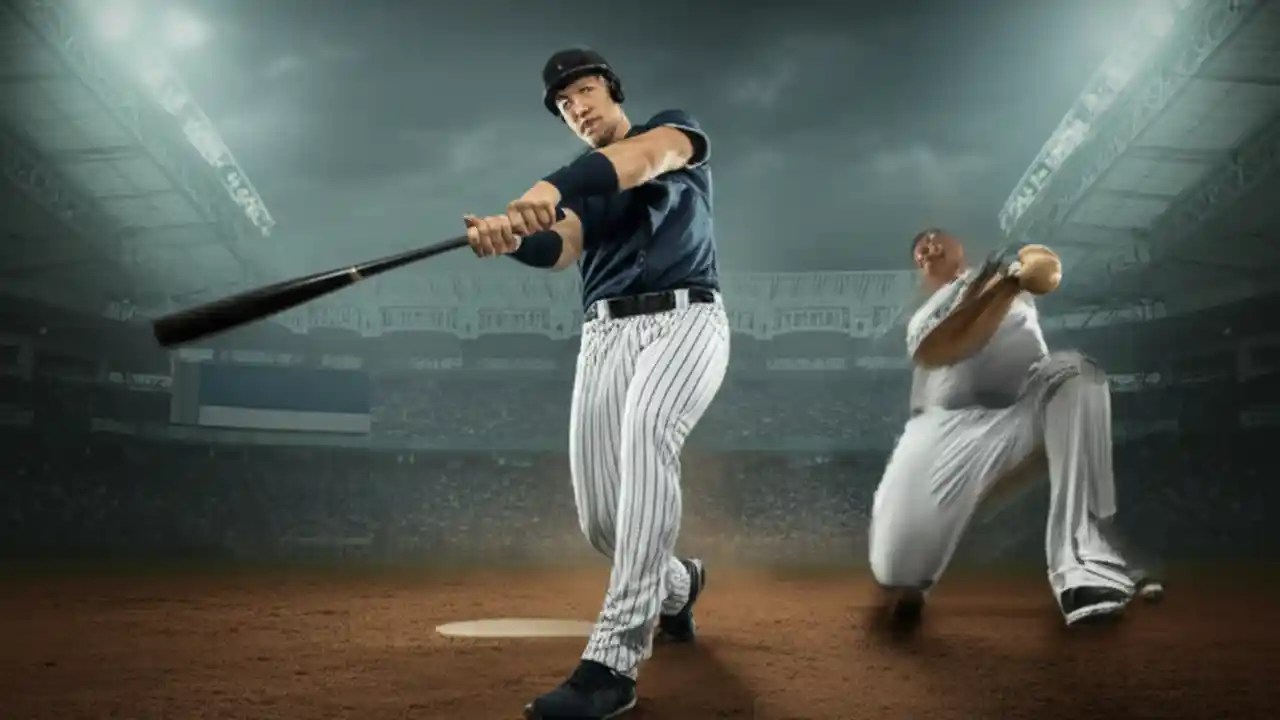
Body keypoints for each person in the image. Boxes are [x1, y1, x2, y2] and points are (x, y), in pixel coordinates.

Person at [462, 48, 729, 719]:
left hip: (685, 319)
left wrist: (544, 190)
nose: (576, 108)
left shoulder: (673, 131)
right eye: (563, 104)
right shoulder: (581, 189)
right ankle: (676, 585)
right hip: (605, 334)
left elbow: (638, 163)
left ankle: (612, 665)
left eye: (583, 90)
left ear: (612, 90)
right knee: (604, 522)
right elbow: (563, 247)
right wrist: (511, 239)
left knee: (647, 439)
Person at [868, 228, 1152, 629]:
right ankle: (910, 584)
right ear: (919, 265)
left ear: (958, 246)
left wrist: (1018, 273)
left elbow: (1047, 269)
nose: (928, 246)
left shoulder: (1010, 278)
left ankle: (1085, 569)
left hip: (1022, 408)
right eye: (920, 247)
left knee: (1078, 374)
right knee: (896, 566)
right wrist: (1002, 285)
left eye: (936, 238)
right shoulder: (925, 315)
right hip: (942, 431)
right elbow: (940, 347)